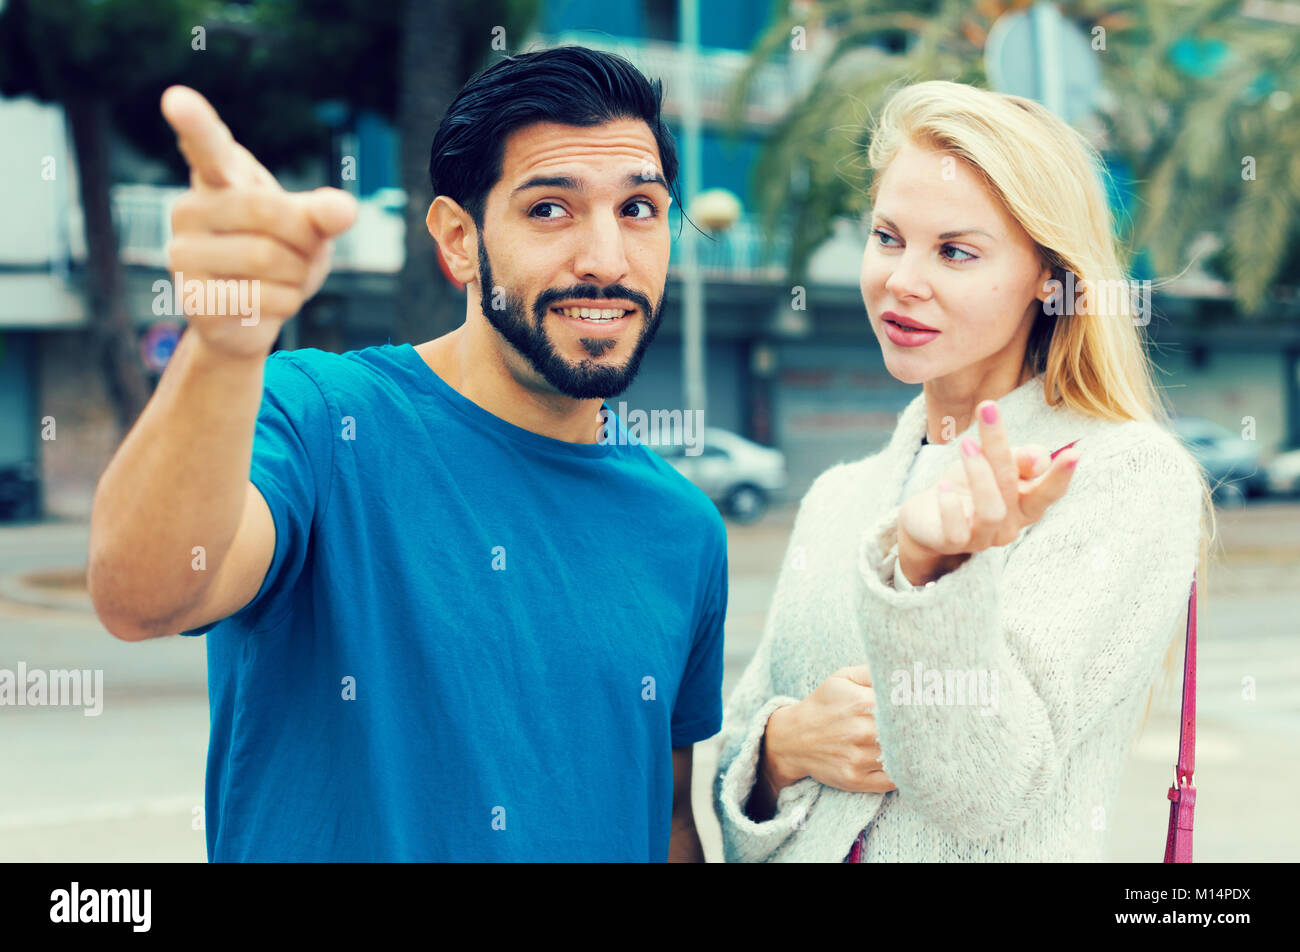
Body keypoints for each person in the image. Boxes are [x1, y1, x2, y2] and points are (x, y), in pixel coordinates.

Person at [88, 46, 727, 862]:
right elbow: (141, 595)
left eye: (638, 208)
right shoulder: (321, 418)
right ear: (459, 241)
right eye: (549, 210)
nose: (606, 259)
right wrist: (222, 345)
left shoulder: (684, 528)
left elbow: (668, 823)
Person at [712, 80, 1214, 863]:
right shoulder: (835, 497)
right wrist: (782, 748)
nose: (902, 281)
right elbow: (734, 777)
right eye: (887, 237)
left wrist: (931, 575)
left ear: (1049, 277)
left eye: (955, 251)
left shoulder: (1125, 478)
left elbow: (984, 792)